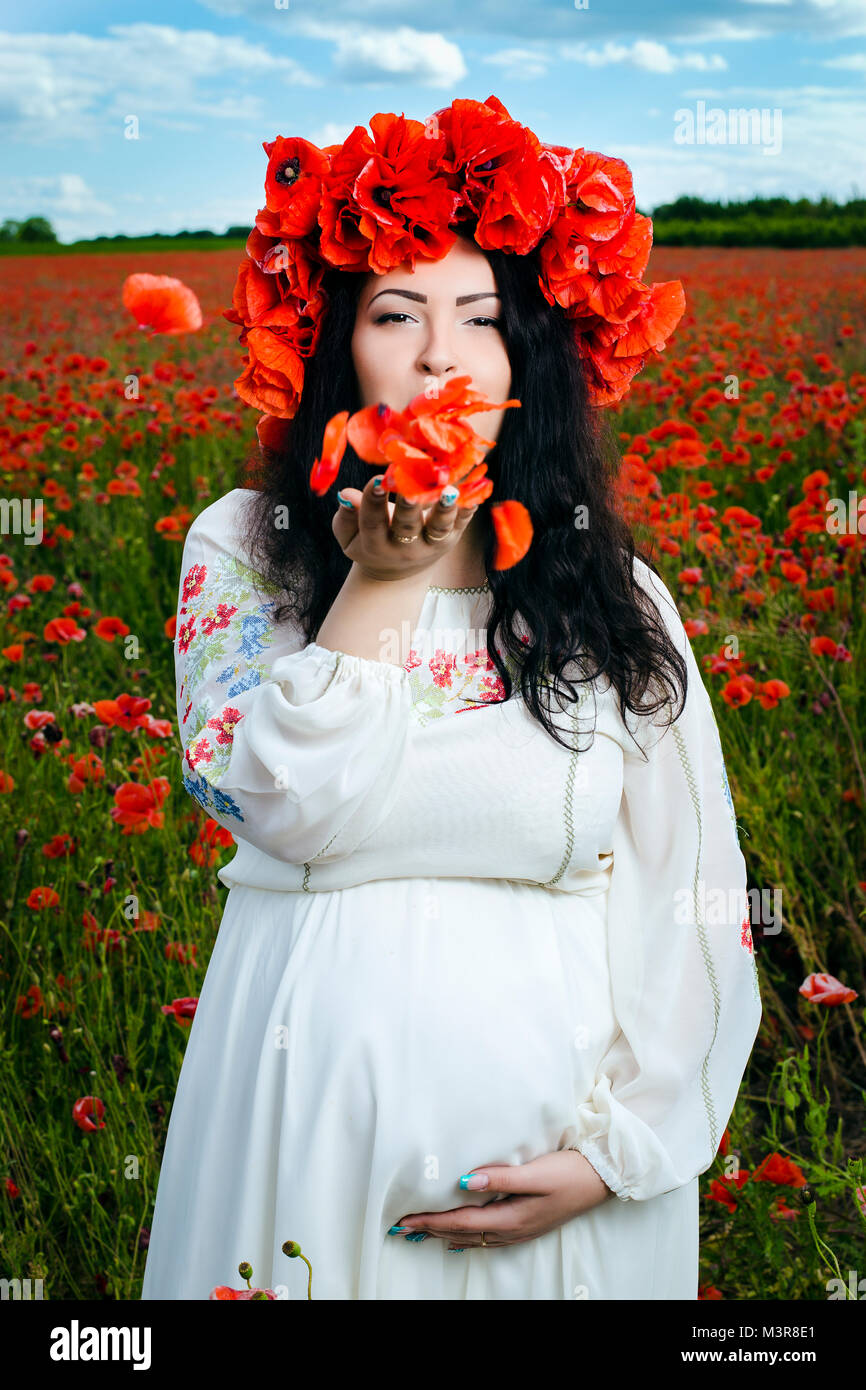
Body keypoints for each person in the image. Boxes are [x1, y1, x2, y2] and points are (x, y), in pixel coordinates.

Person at [140, 96, 762, 1301]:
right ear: (336, 346)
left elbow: (693, 891)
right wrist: (380, 581)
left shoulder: (603, 587)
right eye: (394, 314)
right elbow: (283, 806)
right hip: (295, 1126)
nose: (439, 356)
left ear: (530, 353)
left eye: (482, 319)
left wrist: (613, 1152)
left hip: (562, 1187)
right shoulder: (246, 549)